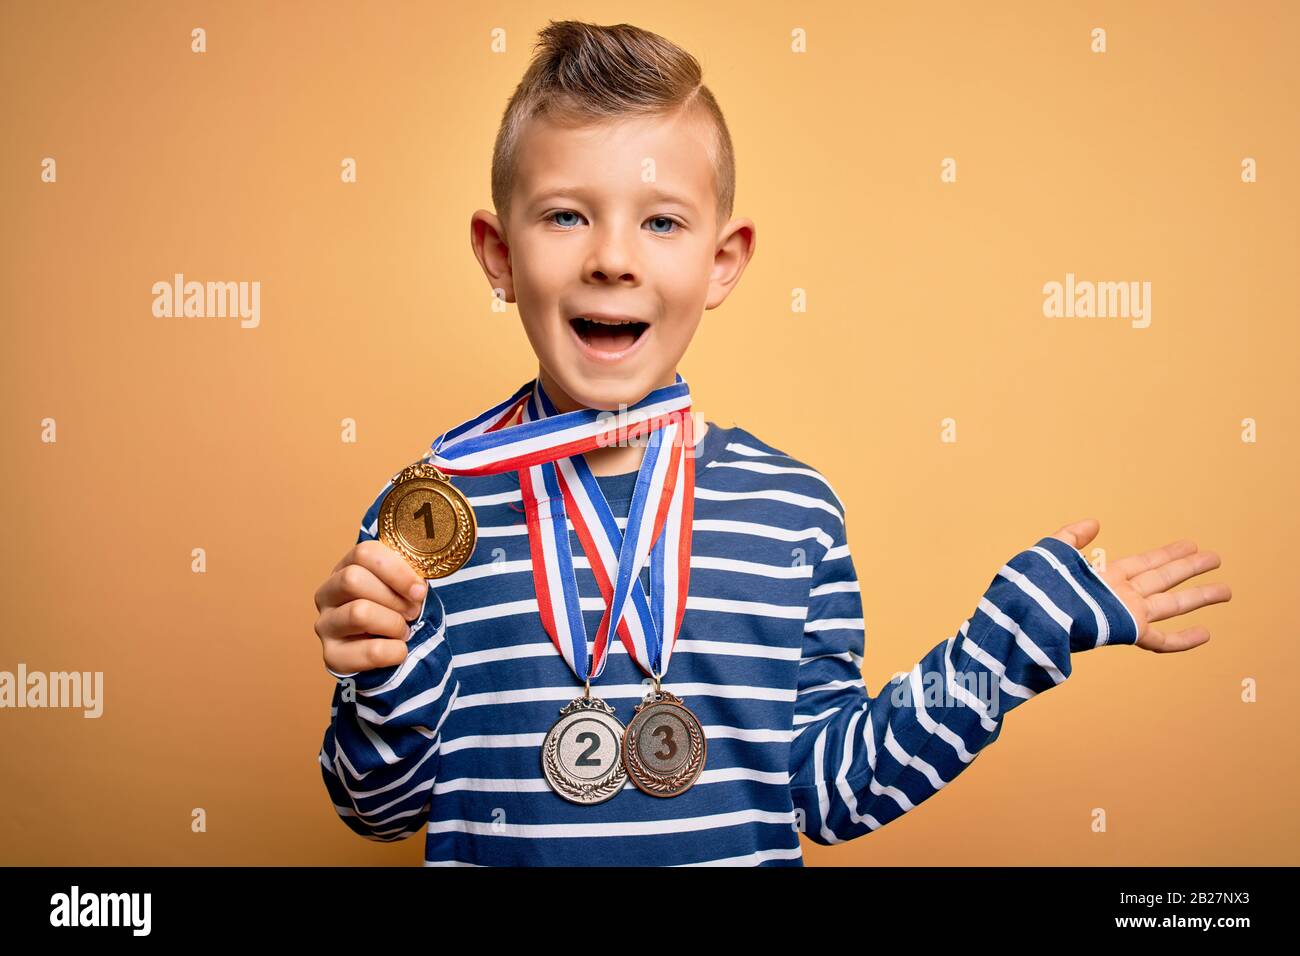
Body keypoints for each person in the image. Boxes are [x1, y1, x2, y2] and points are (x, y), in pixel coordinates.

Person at [311, 20, 1232, 866]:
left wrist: (1008, 645)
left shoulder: (793, 511)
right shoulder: (427, 516)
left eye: (662, 220)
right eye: (565, 214)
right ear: (499, 254)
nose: (614, 258)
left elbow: (833, 790)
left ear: (722, 261)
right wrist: (388, 673)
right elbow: (377, 807)